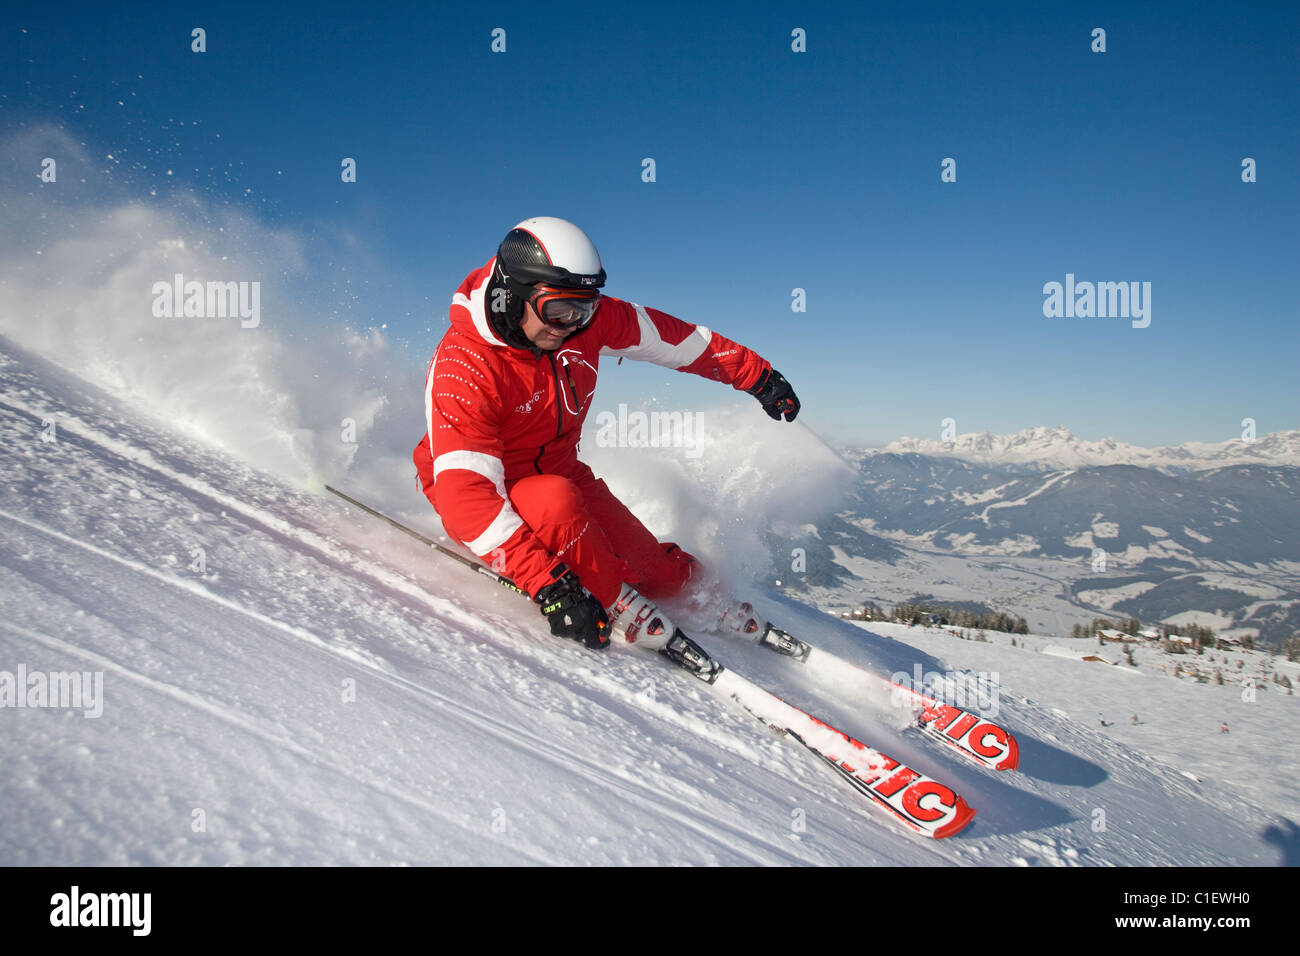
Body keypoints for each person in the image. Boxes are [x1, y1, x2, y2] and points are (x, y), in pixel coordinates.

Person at [412, 217, 799, 662]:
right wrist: (549, 584)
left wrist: (758, 377)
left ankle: (691, 593)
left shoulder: (578, 318)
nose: (571, 326)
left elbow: (677, 341)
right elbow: (467, 496)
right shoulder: (465, 366)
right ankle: (611, 596)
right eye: (559, 311)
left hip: (561, 469)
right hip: (487, 489)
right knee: (558, 507)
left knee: (655, 570)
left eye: (584, 311)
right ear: (511, 293)